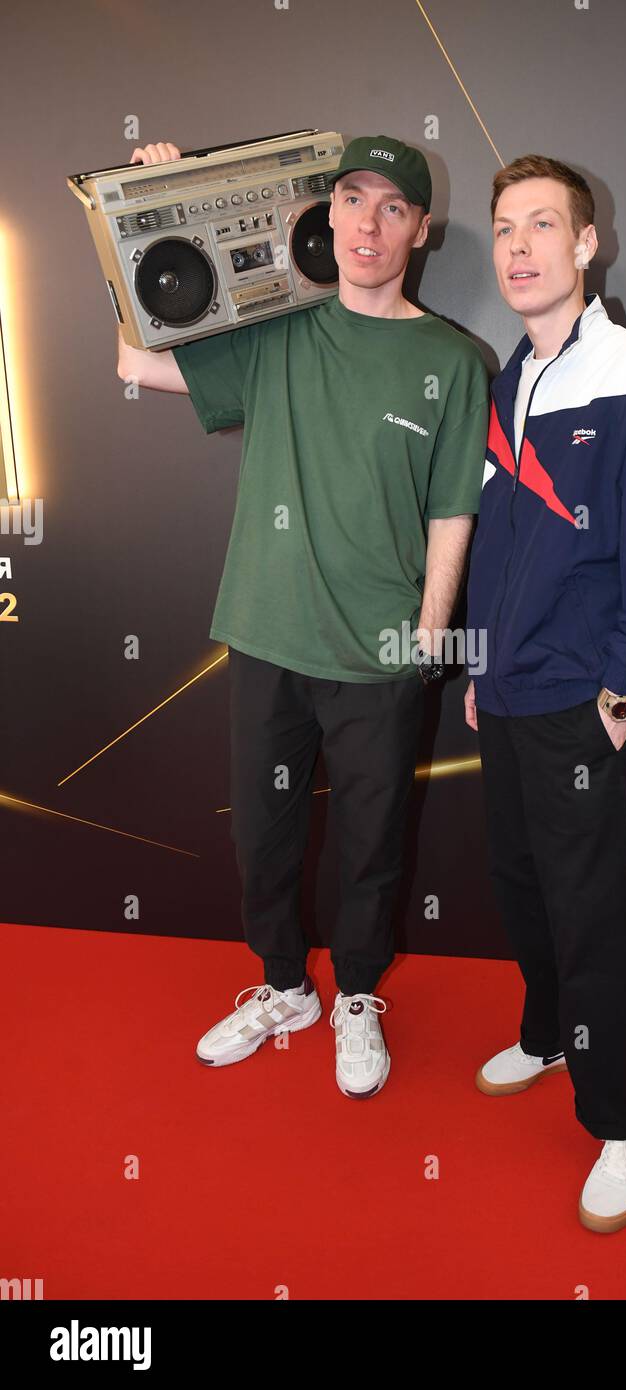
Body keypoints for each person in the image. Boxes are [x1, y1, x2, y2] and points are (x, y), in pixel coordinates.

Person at [117, 136, 489, 1098]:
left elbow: (454, 507)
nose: (366, 223)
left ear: (420, 229)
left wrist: (431, 634)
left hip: (381, 655)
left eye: (391, 207)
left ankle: (357, 997)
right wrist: (147, 205)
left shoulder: (453, 359)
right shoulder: (277, 331)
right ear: (325, 215)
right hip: (268, 634)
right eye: (351, 201)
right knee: (265, 839)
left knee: (372, 844)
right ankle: (284, 987)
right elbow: (134, 355)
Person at [464, 154, 626, 1230]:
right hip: (507, 692)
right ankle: (543, 1031)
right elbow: (498, 545)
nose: (518, 247)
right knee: (520, 885)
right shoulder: (508, 379)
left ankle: (621, 1122)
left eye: (540, 226)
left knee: (593, 911)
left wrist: (619, 693)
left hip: (582, 699)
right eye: (503, 228)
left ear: (584, 244)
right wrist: (480, 665)